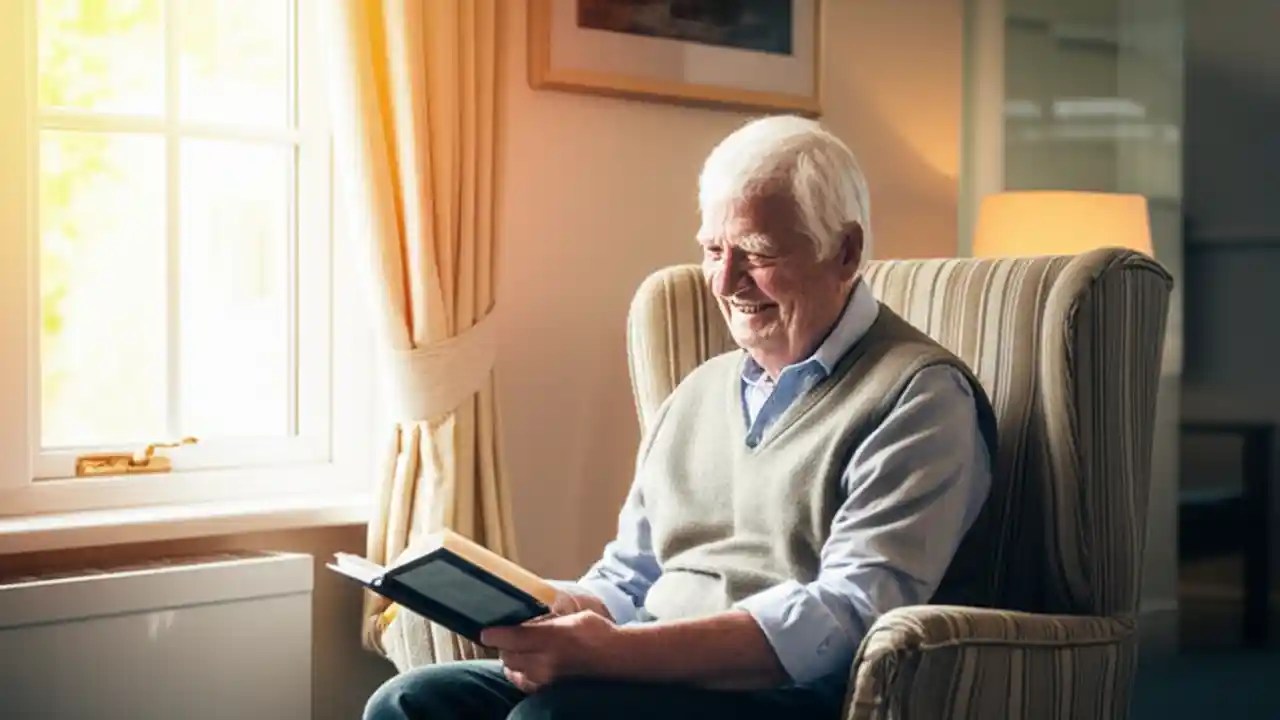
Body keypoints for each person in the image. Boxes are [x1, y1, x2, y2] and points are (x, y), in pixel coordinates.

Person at [365, 115, 998, 720]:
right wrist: (549, 609)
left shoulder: (921, 397)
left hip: (787, 694)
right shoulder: (699, 392)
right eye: (713, 249)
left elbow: (847, 613)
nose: (725, 281)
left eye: (756, 252)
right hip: (645, 670)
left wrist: (617, 654)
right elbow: (631, 576)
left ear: (845, 252)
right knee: (413, 704)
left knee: (561, 716)